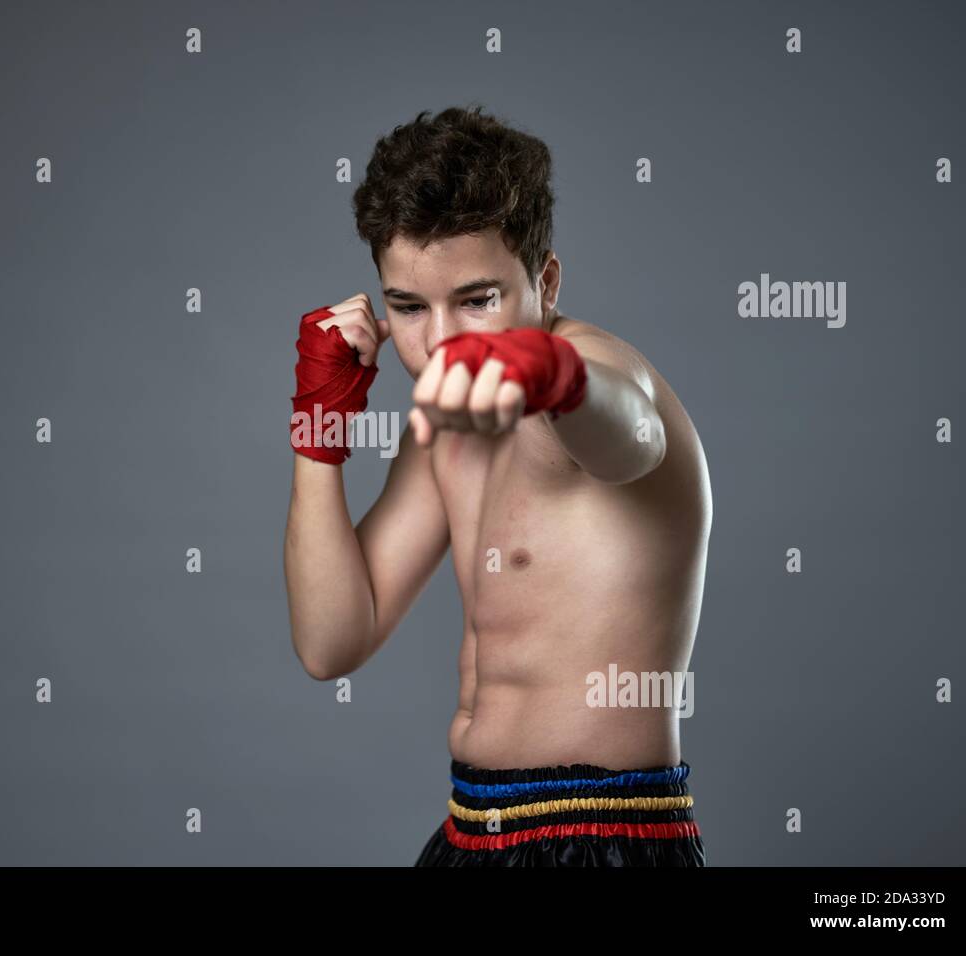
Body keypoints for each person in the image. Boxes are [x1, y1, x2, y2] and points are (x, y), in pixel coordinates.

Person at [283, 105, 711, 866]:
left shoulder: (601, 374)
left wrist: (553, 378)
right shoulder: (443, 421)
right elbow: (331, 642)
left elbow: (635, 440)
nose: (441, 343)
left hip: (602, 837)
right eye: (409, 307)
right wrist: (319, 430)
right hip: (468, 830)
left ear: (543, 280)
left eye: (476, 300)